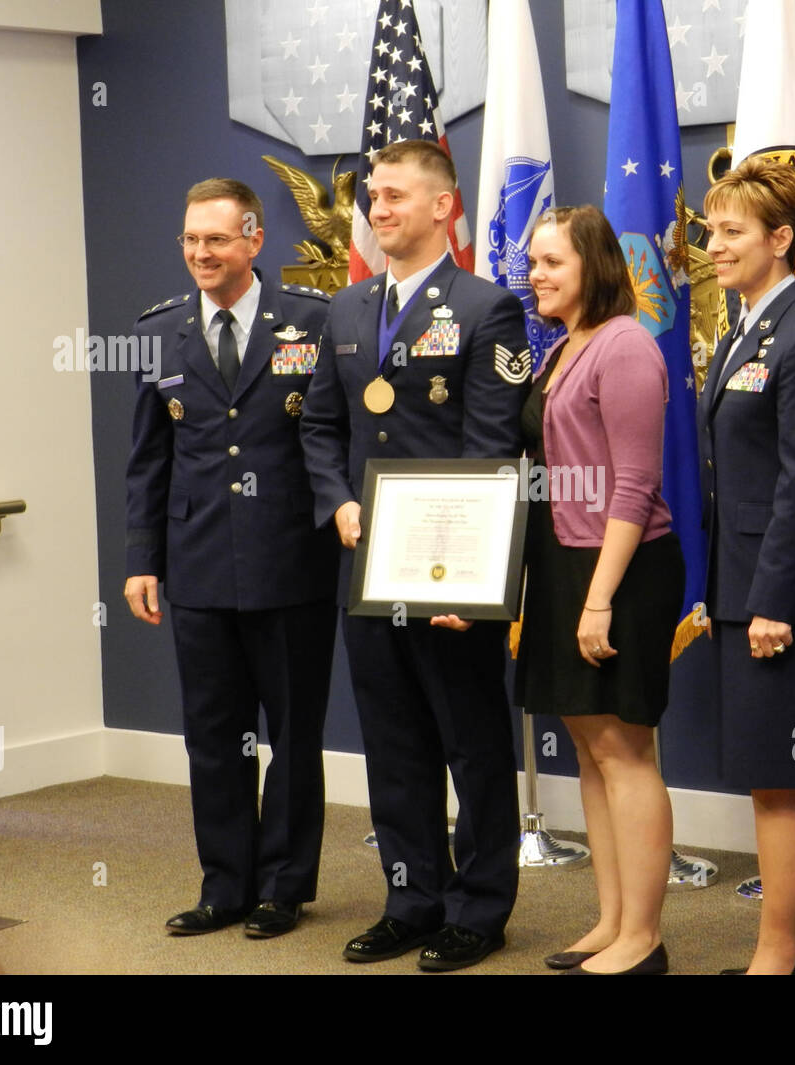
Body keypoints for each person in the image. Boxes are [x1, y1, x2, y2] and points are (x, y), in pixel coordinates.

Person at [300, 139, 530, 971]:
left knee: (470, 742)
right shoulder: (348, 309)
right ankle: (411, 897)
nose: (379, 209)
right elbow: (321, 426)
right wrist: (339, 502)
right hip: (368, 564)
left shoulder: (486, 307)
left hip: (450, 571)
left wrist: (466, 577)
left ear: (444, 206)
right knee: (392, 743)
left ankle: (479, 907)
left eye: (396, 195)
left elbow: (491, 447)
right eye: (373, 199)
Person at [124, 178, 338, 939]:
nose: (200, 254)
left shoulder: (311, 323)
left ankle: (284, 886)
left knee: (292, 734)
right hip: (198, 564)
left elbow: (330, 440)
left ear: (253, 239)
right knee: (212, 734)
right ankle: (226, 885)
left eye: (215, 239)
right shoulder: (161, 331)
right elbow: (149, 460)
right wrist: (142, 559)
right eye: (189, 240)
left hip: (290, 563)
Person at [698, 157, 795, 975]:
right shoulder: (746, 328)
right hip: (751, 587)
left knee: (782, 781)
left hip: (787, 597)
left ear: (781, 238)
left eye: (732, 232)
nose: (714, 245)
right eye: (711, 230)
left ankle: (773, 955)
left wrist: (773, 603)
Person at [517, 206, 683, 975]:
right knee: (588, 749)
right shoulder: (562, 345)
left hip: (619, 569)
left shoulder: (625, 345)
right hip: (564, 563)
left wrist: (598, 598)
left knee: (623, 749)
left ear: (594, 264)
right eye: (532, 262)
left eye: (551, 261)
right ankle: (612, 919)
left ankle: (644, 938)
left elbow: (636, 483)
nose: (536, 274)